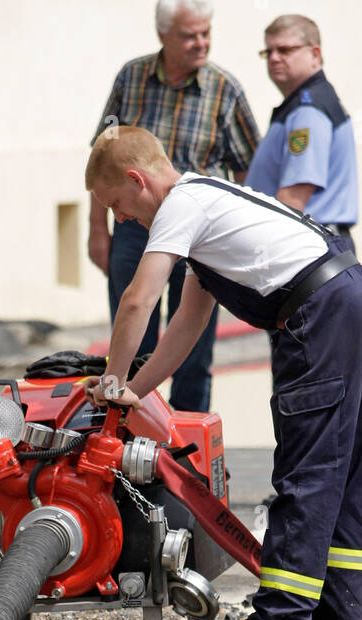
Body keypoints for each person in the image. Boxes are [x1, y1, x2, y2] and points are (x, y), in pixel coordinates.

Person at [84, 126, 362, 620]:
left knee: (309, 470)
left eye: (117, 205)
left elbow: (138, 302)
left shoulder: (181, 205)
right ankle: (334, 618)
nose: (122, 219)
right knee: (345, 468)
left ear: (137, 179)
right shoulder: (209, 202)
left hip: (318, 315)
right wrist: (133, 391)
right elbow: (187, 323)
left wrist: (109, 384)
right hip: (355, 299)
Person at [88, 0, 259, 413]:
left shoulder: (225, 89)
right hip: (135, 225)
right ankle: (132, 438)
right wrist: (98, 226)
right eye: (189, 35)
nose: (201, 43)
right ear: (163, 35)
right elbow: (103, 160)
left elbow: (253, 165)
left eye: (206, 33)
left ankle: (186, 445)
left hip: (199, 228)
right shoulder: (132, 78)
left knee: (193, 349)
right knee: (133, 335)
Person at [247, 14, 358, 252]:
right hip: (313, 247)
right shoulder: (304, 105)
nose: (274, 58)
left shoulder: (308, 111)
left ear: (314, 54)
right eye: (269, 52)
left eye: (285, 50)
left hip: (308, 250)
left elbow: (293, 198)